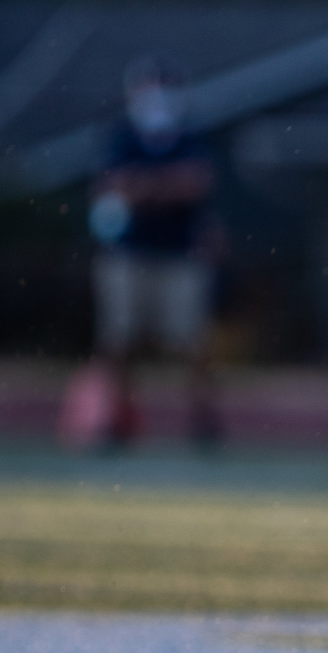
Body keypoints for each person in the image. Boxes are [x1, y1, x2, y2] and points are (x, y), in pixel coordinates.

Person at [85, 57, 221, 446]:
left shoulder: (191, 137)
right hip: (129, 254)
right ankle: (117, 418)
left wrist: (142, 187)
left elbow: (196, 183)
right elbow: (109, 186)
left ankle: (203, 422)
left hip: (180, 255)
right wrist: (165, 186)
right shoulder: (121, 138)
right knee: (118, 339)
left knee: (191, 341)